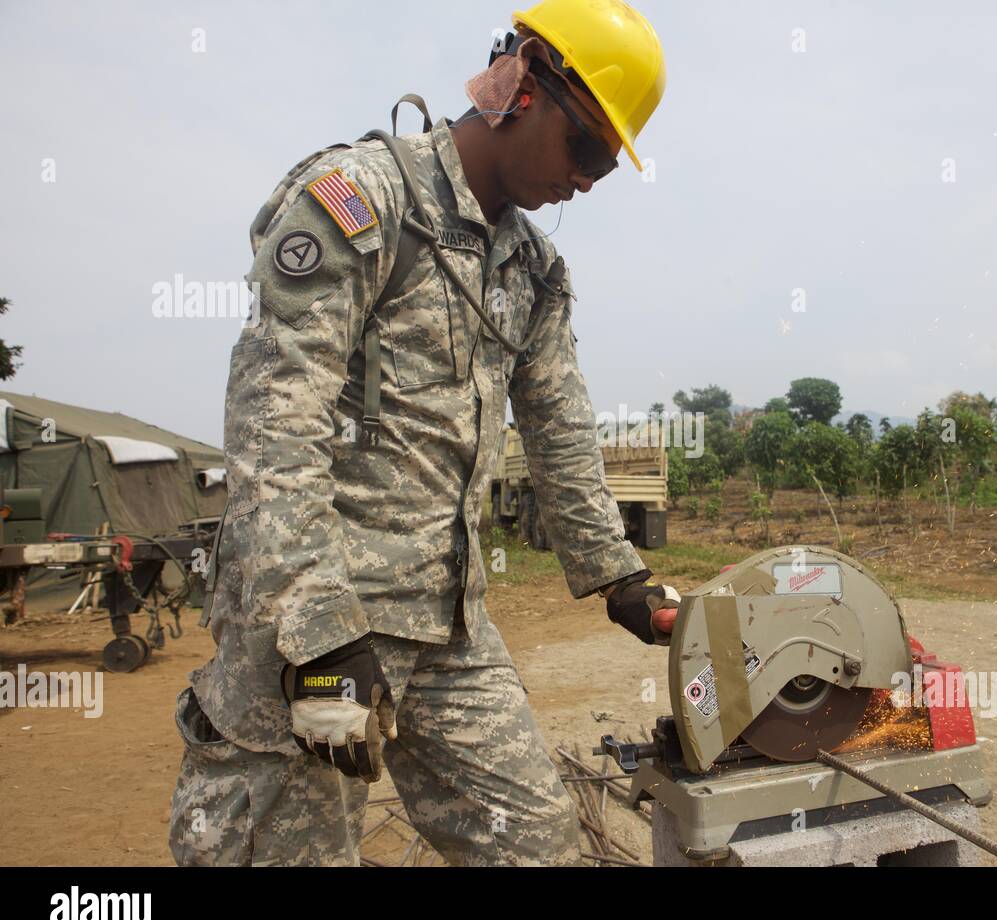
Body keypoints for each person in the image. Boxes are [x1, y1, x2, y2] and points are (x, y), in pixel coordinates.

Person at [168, 0, 673, 866]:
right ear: (521, 84)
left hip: (447, 630)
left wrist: (617, 574)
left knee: (536, 846)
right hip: (310, 628)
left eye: (607, 167)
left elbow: (558, 426)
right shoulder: (365, 201)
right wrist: (321, 629)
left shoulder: (533, 270)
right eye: (586, 147)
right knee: (292, 855)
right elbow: (273, 418)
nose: (588, 182)